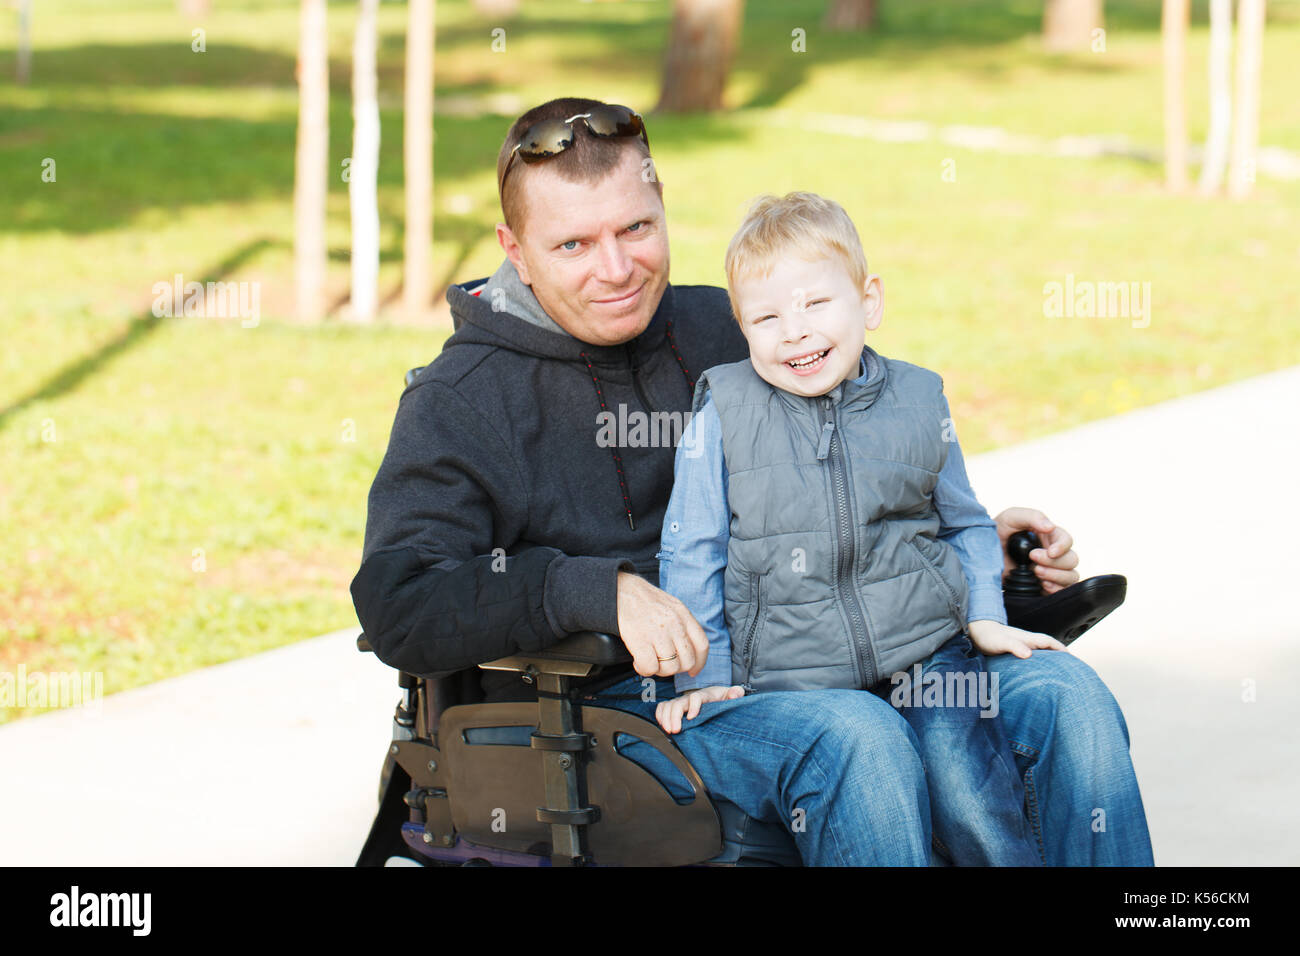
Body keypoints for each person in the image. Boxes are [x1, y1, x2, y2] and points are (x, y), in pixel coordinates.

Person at [350, 96, 1153, 865]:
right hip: (620, 709)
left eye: (637, 228)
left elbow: (852, 465)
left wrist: (959, 545)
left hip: (822, 651)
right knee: (853, 738)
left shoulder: (728, 325)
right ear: (514, 249)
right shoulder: (461, 401)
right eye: (574, 246)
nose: (619, 268)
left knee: (1064, 698)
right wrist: (592, 590)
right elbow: (397, 601)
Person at [652, 190, 1070, 866]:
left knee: (971, 799)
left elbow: (963, 523)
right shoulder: (724, 415)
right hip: (792, 678)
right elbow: (692, 554)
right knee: (877, 760)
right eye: (766, 317)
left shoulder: (917, 400)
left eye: (816, 304)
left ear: (868, 301)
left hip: (925, 659)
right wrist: (703, 677)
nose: (794, 330)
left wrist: (985, 616)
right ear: (743, 329)